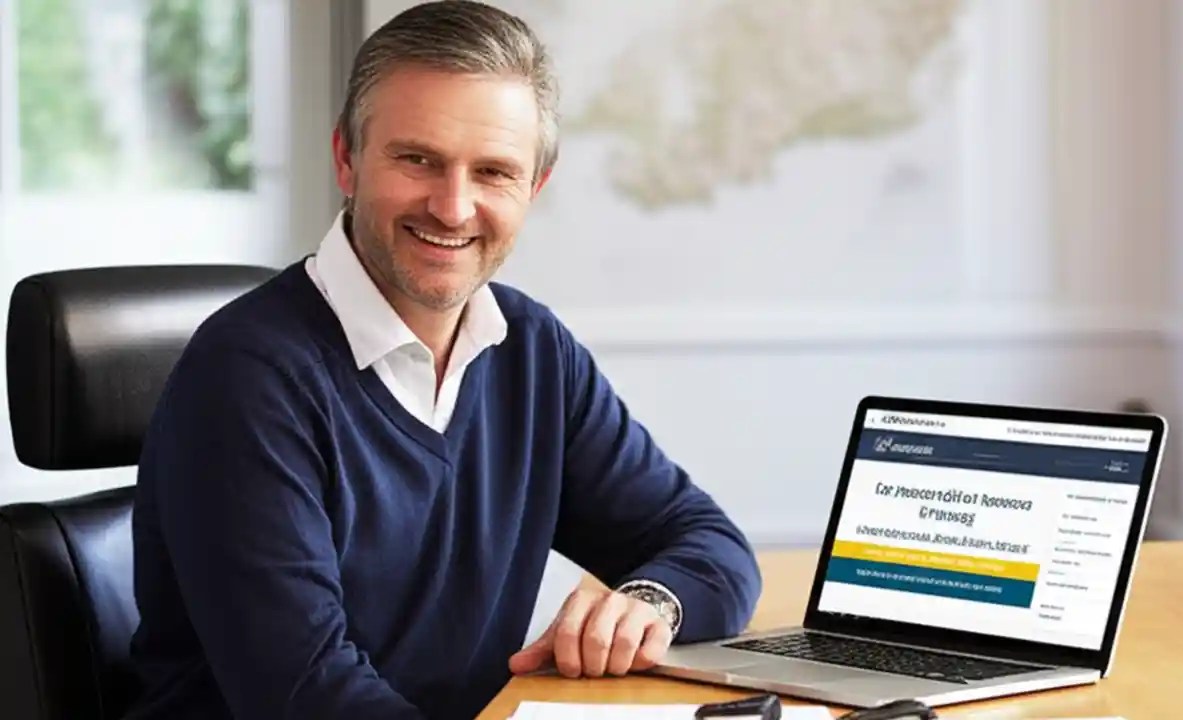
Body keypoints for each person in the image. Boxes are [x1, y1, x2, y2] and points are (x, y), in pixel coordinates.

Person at [124, 2, 762, 719]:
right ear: (346, 159)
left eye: (493, 172)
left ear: (533, 188)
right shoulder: (245, 376)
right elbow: (306, 696)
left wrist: (648, 604)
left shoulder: (532, 350)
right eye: (418, 160)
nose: (454, 208)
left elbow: (711, 546)